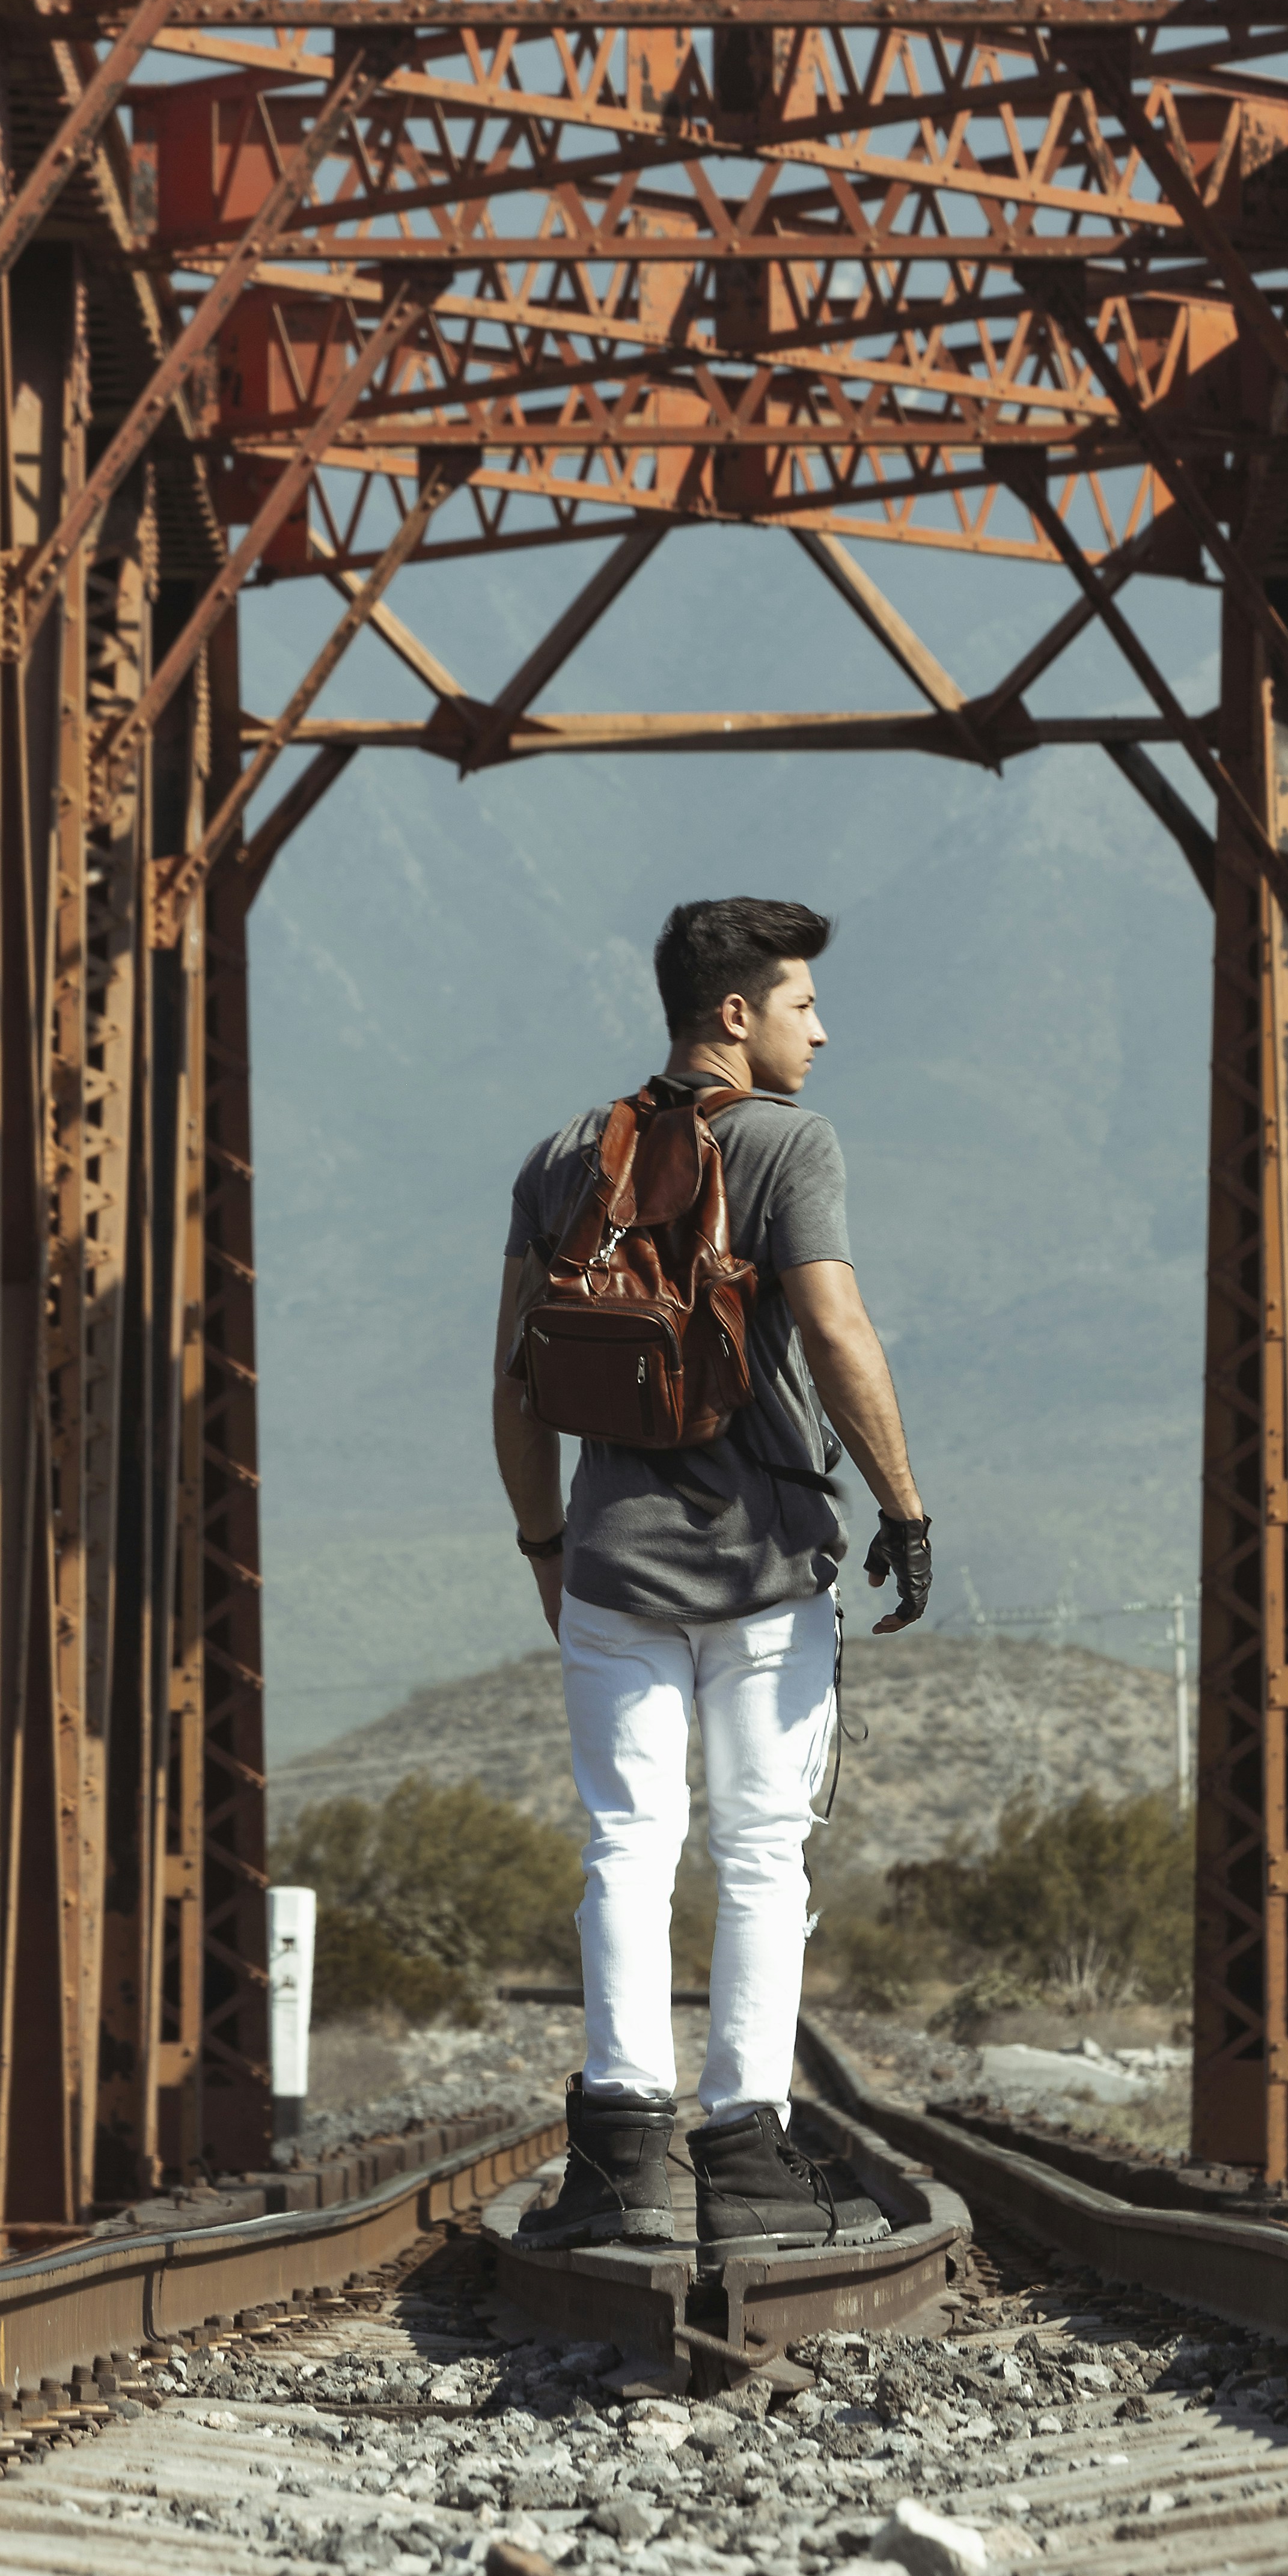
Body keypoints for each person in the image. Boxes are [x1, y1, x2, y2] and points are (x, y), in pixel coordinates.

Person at [491, 895, 932, 2266]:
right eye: (804, 1004)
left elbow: (514, 1384)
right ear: (735, 1016)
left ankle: (622, 2158)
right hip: (764, 1564)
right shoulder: (790, 1142)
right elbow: (836, 1331)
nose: (822, 1030)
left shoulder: (564, 1157)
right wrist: (905, 1507)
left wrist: (548, 1547)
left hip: (611, 1565)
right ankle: (745, 2151)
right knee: (760, 1853)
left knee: (625, 1846)